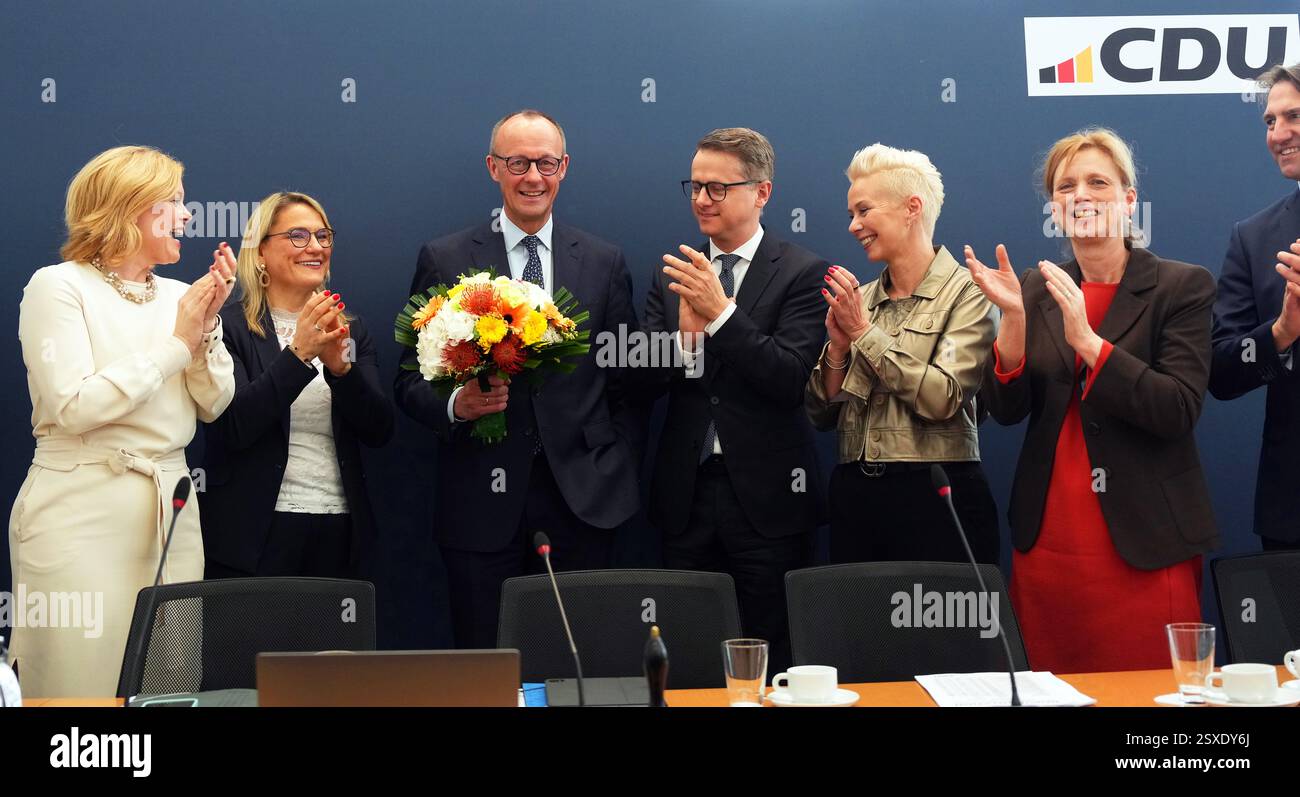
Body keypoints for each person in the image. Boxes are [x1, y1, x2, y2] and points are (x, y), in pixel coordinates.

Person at [968, 128, 1218, 672]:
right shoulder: (1035, 287)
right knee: (1051, 683)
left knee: (1150, 690)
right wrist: (1011, 321)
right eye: (1066, 186)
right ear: (1054, 208)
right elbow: (1007, 412)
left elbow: (1176, 408)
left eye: (1097, 182)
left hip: (1145, 539)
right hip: (1051, 538)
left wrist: (1088, 341)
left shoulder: (1182, 286)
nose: (1080, 194)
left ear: (1129, 200)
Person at [393, 110, 642, 649]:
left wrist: (610, 457)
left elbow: (627, 382)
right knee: (487, 661)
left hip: (584, 501)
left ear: (564, 167)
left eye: (546, 163)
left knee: (582, 662)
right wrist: (458, 405)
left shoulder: (604, 261)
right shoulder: (447, 257)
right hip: (480, 504)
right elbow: (408, 380)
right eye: (518, 162)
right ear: (493, 168)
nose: (533, 176)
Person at [10, 145, 235, 697]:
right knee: (76, 678)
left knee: (168, 681)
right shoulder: (57, 286)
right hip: (79, 512)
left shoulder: (184, 297)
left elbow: (215, 402)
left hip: (171, 512)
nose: (188, 216)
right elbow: (74, 406)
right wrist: (177, 345)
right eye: (174, 203)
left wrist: (204, 332)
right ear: (128, 208)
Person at [644, 127, 827, 671]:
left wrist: (720, 315)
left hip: (770, 502)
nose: (702, 199)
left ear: (762, 193)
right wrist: (683, 345)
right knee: (685, 652)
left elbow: (787, 378)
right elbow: (640, 386)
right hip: (686, 496)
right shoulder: (670, 272)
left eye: (718, 188)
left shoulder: (802, 271)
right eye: (695, 186)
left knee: (770, 652)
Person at [806, 143, 999, 569]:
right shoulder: (862, 298)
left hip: (937, 493)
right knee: (860, 634)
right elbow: (822, 414)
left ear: (912, 208)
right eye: (852, 214)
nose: (854, 226)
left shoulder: (971, 293)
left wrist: (862, 332)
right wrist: (839, 348)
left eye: (864, 210)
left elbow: (944, 398)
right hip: (856, 495)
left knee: (942, 635)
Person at [200, 192, 394, 579]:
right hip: (255, 535)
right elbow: (233, 429)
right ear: (260, 253)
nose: (316, 247)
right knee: (254, 641)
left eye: (323, 237)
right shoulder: (227, 326)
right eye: (298, 236)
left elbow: (379, 430)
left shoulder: (350, 329)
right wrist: (299, 355)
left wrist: (343, 372)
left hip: (339, 529)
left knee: (335, 642)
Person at [1209, 63, 1300, 552]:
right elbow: (1221, 371)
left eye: (1294, 117)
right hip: (1293, 514)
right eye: (1269, 121)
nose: (1278, 134)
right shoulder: (1254, 236)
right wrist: (1281, 332)